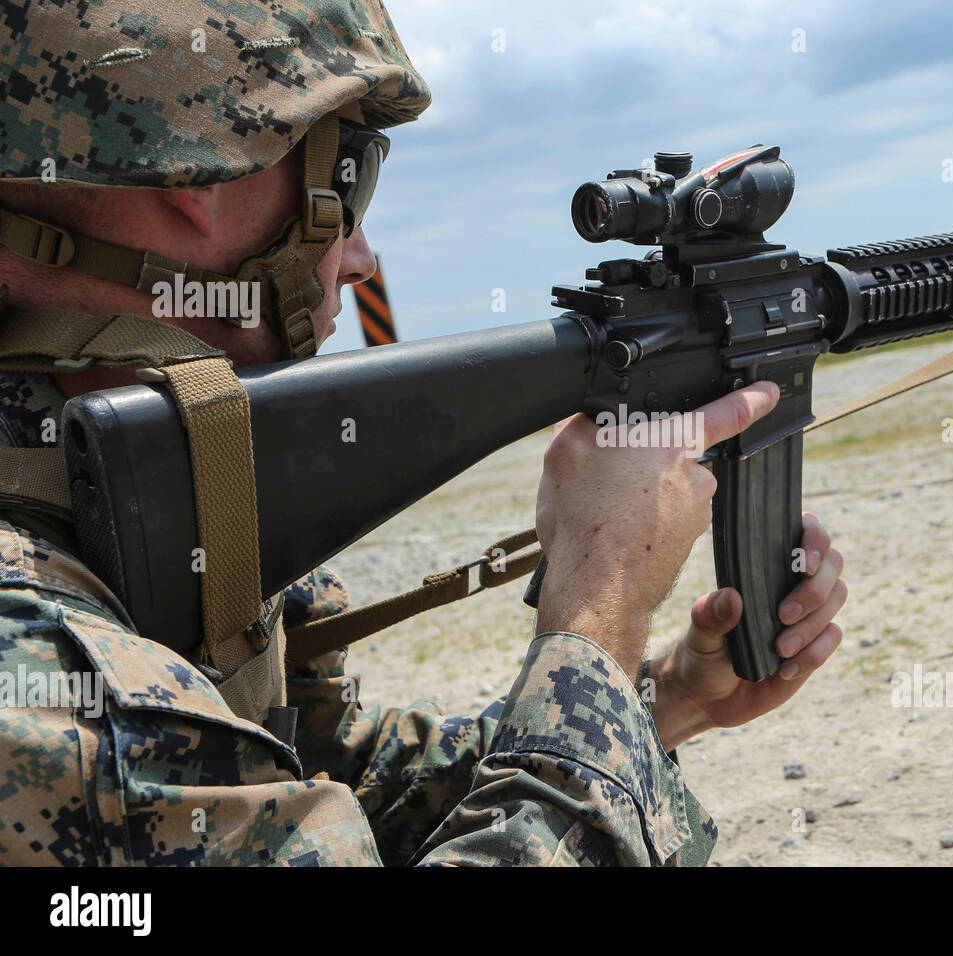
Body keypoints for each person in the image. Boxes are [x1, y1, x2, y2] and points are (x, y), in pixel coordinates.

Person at [0, 1, 847, 865]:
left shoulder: (138, 498)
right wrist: (598, 610)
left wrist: (661, 697)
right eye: (348, 179)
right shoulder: (35, 686)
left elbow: (342, 793)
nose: (360, 254)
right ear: (202, 175)